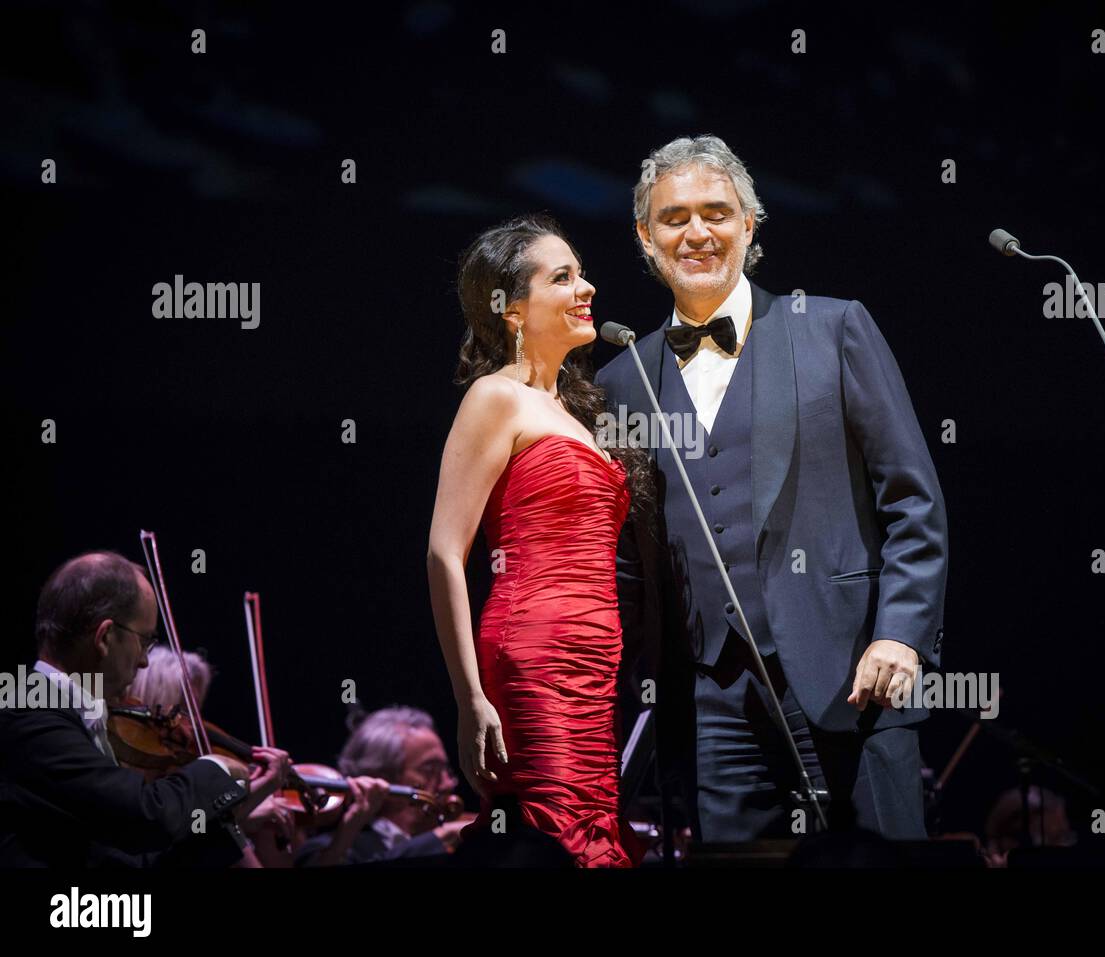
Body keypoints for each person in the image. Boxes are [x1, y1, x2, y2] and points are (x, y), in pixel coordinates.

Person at [595, 135, 949, 842]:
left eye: (716, 212)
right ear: (645, 236)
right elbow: (626, 558)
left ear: (749, 224)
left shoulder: (832, 327)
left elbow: (914, 500)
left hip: (853, 671)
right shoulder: (620, 379)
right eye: (674, 218)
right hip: (708, 700)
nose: (697, 232)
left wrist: (901, 635)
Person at [426, 214, 651, 867]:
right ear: (514, 308)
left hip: (596, 664)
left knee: (590, 830)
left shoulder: (576, 414)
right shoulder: (494, 398)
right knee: (560, 840)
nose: (588, 288)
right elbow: (445, 550)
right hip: (536, 657)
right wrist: (470, 697)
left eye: (582, 273)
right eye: (564, 277)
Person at [0, 551, 290, 867]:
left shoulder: (74, 714)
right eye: (144, 641)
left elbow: (138, 861)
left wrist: (233, 807)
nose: (144, 661)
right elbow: (144, 817)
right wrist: (217, 769)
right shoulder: (24, 706)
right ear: (105, 637)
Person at [294, 706, 461, 865]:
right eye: (431, 769)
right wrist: (439, 837)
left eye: (446, 770)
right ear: (381, 778)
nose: (448, 783)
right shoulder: (329, 851)